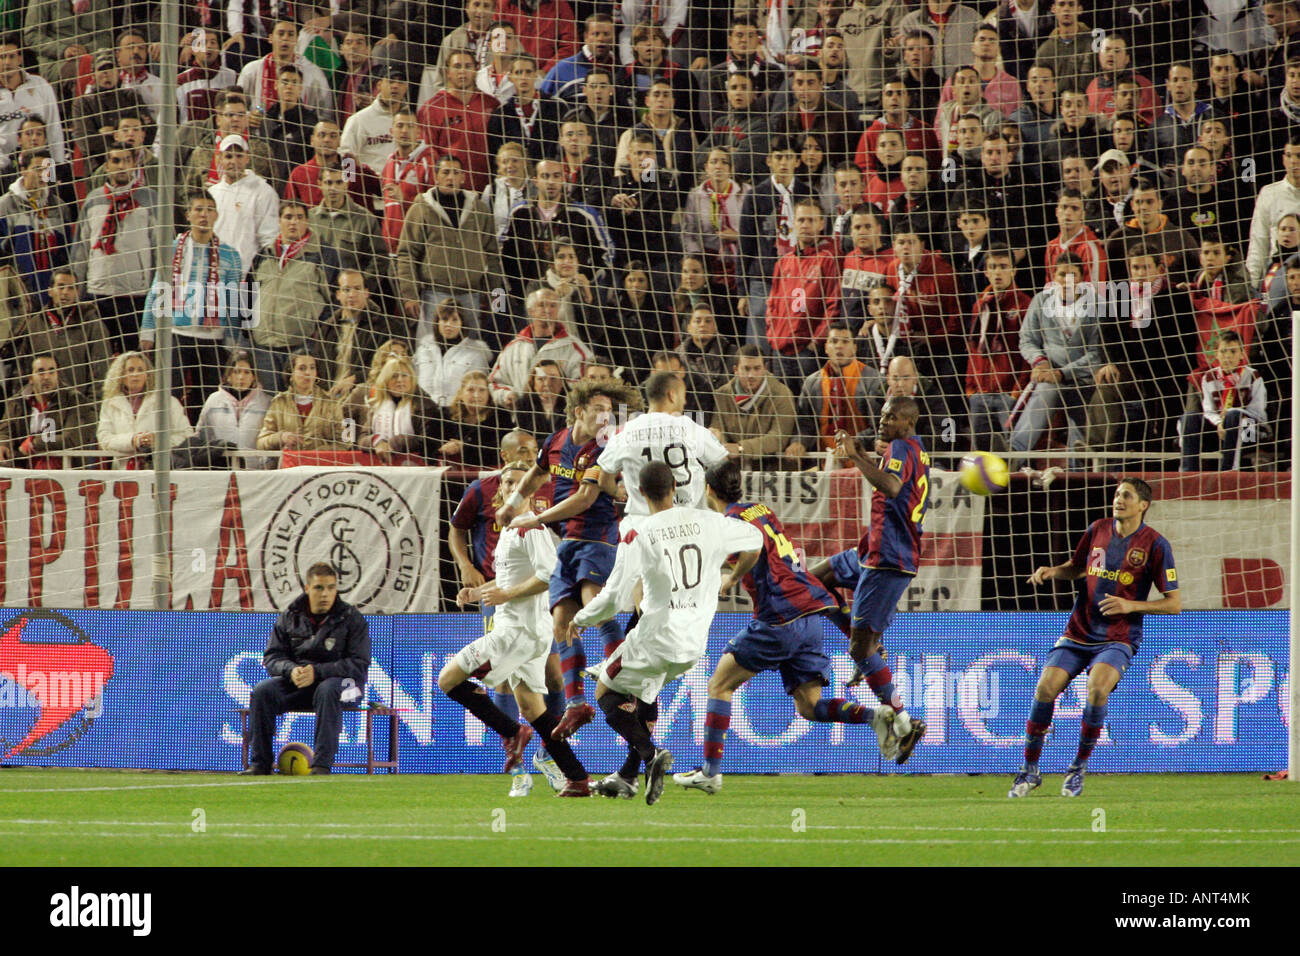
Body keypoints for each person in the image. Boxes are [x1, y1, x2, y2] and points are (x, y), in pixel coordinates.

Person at [672, 457, 895, 794]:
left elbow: (750, 549)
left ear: (708, 490)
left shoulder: (729, 523)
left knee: (719, 686)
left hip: (778, 620)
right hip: (809, 620)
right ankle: (874, 717)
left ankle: (710, 772)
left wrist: (730, 578)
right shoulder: (761, 511)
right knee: (809, 706)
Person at [566, 461, 762, 803]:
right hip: (694, 645)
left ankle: (649, 754)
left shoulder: (638, 531)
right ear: (676, 487)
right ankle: (627, 777)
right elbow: (756, 539)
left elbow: (613, 596)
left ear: (641, 493)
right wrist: (732, 577)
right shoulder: (711, 522)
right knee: (644, 696)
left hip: (656, 636)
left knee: (605, 693)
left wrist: (580, 618)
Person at [1011, 478, 1181, 798]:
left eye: (1126, 496)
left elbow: (1174, 603)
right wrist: (1051, 571)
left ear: (1143, 505)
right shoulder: (1097, 529)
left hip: (1118, 637)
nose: (1118, 499)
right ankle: (1030, 771)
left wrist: (1131, 605)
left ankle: (1077, 767)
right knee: (1045, 687)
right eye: (1117, 494)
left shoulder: (1156, 545)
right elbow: (1076, 568)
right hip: (1079, 631)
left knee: (1097, 688)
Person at [500, 379, 644, 739]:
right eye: (598, 408)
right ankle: (577, 703)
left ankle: (623, 684)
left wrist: (535, 517)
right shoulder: (557, 440)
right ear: (579, 411)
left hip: (599, 537)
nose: (605, 415)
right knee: (562, 622)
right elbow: (537, 472)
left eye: (610, 410)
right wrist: (512, 503)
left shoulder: (603, 449)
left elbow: (584, 497)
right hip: (568, 540)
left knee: (593, 606)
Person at [445, 461, 593, 797]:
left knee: (448, 679)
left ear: (531, 491)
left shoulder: (531, 529)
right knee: (533, 708)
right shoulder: (510, 531)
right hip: (522, 629)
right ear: (500, 492)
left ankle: (512, 733)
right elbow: (513, 580)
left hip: (520, 632)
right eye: (507, 484)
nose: (512, 489)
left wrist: (506, 593)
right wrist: (480, 591)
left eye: (518, 483)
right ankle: (578, 777)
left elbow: (549, 576)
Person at [832, 396, 929, 763]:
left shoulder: (903, 446)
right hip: (872, 550)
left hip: (889, 557)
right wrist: (864, 452)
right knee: (816, 580)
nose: (883, 419)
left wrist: (855, 457)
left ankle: (903, 724)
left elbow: (890, 487)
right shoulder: (908, 448)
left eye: (891, 416)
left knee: (859, 648)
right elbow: (891, 477)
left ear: (907, 421)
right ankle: (872, 646)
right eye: (883, 413)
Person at [241, 562, 370, 776]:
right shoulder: (290, 616)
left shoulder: (352, 618)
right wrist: (291, 670)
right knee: (263, 692)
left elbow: (359, 664)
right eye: (319, 588)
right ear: (307, 588)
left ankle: (321, 766)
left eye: (331, 587)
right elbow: (272, 657)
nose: (325, 594)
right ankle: (259, 764)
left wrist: (317, 672)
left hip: (346, 687)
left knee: (328, 689)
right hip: (301, 684)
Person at [139, 192, 245, 421]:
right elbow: (158, 290)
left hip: (213, 339)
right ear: (188, 214)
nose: (203, 214)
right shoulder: (172, 248)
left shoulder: (231, 255)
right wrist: (148, 330)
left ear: (216, 214)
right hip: (176, 334)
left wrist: (234, 341)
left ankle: (206, 450)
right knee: (169, 396)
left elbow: (234, 303)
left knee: (210, 398)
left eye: (209, 209)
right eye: (198, 209)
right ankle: (169, 446)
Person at [1179, 331, 1268, 472]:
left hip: (1249, 434)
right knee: (1189, 417)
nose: (1228, 356)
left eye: (1233, 352)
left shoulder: (1253, 376)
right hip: (1219, 432)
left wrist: (1233, 415)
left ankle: (1229, 471)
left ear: (1241, 354)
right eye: (1223, 351)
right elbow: (1208, 410)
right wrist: (1220, 423)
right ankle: (1189, 472)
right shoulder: (1209, 377)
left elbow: (1258, 413)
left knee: (1233, 415)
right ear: (1216, 354)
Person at [97, 351, 197, 469]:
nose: (136, 374)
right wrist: (132, 441)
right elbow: (104, 439)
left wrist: (158, 441)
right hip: (122, 471)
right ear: (120, 375)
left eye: (140, 370)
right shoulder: (109, 403)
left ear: (147, 374)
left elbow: (186, 436)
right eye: (130, 370)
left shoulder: (167, 401)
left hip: (161, 470)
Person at [710, 345, 798, 469]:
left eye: (757, 368)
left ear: (765, 368)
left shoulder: (782, 393)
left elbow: (779, 438)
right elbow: (717, 429)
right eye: (746, 369)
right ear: (735, 370)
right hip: (731, 467)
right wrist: (722, 444)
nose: (751, 375)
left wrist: (741, 448)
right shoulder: (722, 394)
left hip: (770, 467)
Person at [0, 354, 93, 467]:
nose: (46, 377)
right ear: (31, 378)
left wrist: (34, 443)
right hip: (22, 467)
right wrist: (3, 444)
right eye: (41, 371)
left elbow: (71, 438)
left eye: (51, 371)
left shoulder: (74, 400)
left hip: (63, 470)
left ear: (57, 375)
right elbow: (5, 431)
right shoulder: (16, 402)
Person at [256, 349, 348, 453]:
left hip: (322, 466)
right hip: (289, 466)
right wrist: (281, 437)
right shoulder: (279, 402)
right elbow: (261, 442)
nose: (308, 372)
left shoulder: (331, 402)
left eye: (312, 368)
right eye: (302, 368)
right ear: (291, 374)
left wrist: (321, 452)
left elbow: (344, 442)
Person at [195, 349, 273, 468]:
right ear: (229, 376)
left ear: (254, 376)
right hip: (220, 469)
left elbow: (269, 439)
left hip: (256, 471)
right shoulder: (214, 400)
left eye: (247, 372)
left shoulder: (266, 402)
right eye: (237, 372)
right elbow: (201, 435)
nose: (241, 377)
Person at [414, 296, 493, 407]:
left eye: (454, 319)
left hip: (457, 413)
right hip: (424, 411)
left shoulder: (475, 355)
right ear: (437, 322)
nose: (449, 324)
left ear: (462, 323)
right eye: (444, 319)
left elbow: (478, 393)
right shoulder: (423, 350)